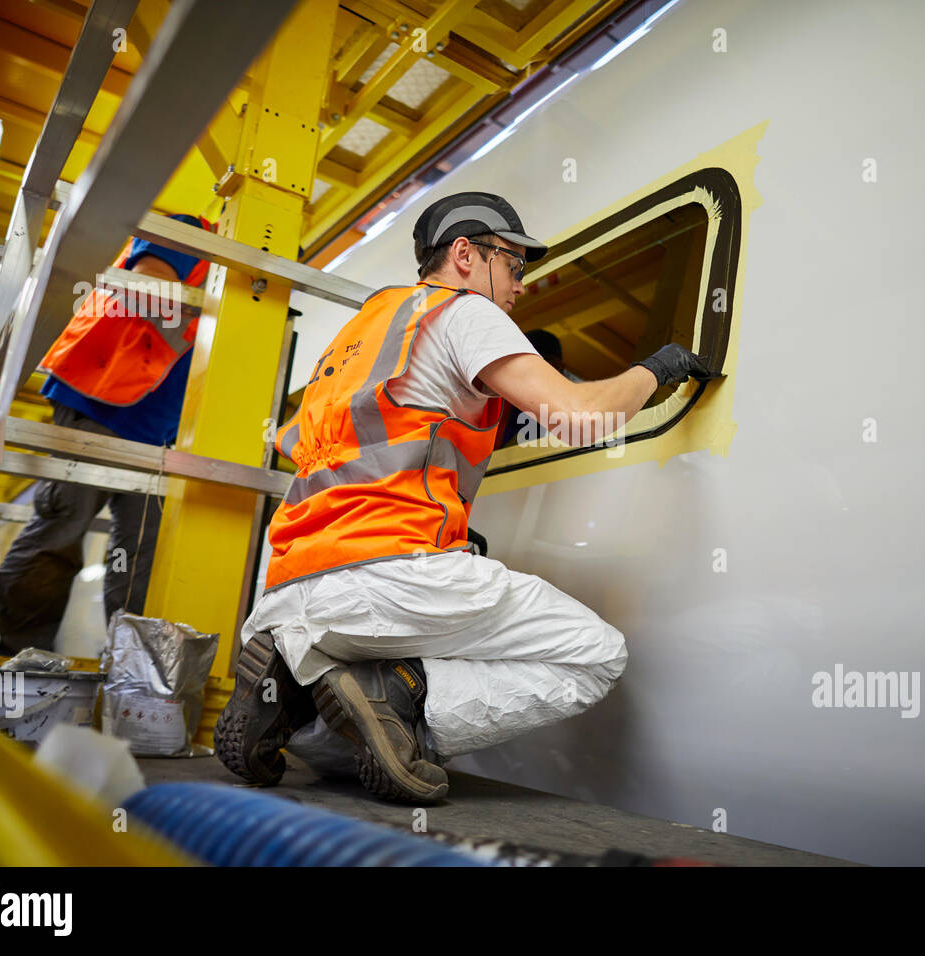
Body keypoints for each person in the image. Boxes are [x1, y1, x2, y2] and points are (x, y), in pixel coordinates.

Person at [215, 192, 715, 803]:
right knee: (596, 656)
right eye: (514, 265)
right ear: (465, 255)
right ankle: (400, 690)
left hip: (288, 585)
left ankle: (292, 692)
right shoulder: (463, 312)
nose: (520, 286)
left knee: (344, 754)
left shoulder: (359, 334)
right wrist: (657, 369)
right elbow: (580, 417)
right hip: (388, 567)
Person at [0, 214, 212, 655]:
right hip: (101, 397)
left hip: (154, 429)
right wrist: (211, 312)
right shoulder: (194, 234)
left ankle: (130, 672)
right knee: (60, 532)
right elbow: (145, 288)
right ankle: (16, 658)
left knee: (140, 558)